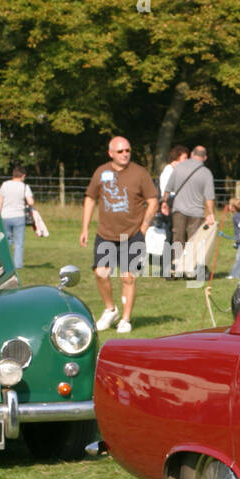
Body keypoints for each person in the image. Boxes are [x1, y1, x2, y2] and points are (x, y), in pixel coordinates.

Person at [81, 135, 157, 334]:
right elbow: (90, 199)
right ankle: (110, 309)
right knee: (100, 273)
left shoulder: (139, 173)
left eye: (127, 150)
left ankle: (125, 319)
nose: (125, 154)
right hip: (105, 234)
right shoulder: (101, 172)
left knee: (128, 277)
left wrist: (143, 228)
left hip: (132, 235)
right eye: (120, 151)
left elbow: (153, 201)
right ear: (110, 153)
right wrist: (84, 228)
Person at [168, 144, 216, 278]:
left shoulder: (178, 168)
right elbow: (209, 197)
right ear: (205, 157)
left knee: (178, 238)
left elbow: (169, 187)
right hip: (196, 211)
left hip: (178, 209)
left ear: (191, 154)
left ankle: (176, 268)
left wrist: (164, 202)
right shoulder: (206, 173)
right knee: (193, 240)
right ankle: (189, 268)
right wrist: (211, 213)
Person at [0, 165, 36, 272]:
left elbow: (0, 202)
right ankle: (18, 265)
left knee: (7, 240)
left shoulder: (5, 185)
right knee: (19, 242)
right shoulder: (24, 186)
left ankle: (4, 261)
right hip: (19, 216)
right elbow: (31, 202)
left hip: (5, 216)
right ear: (23, 175)